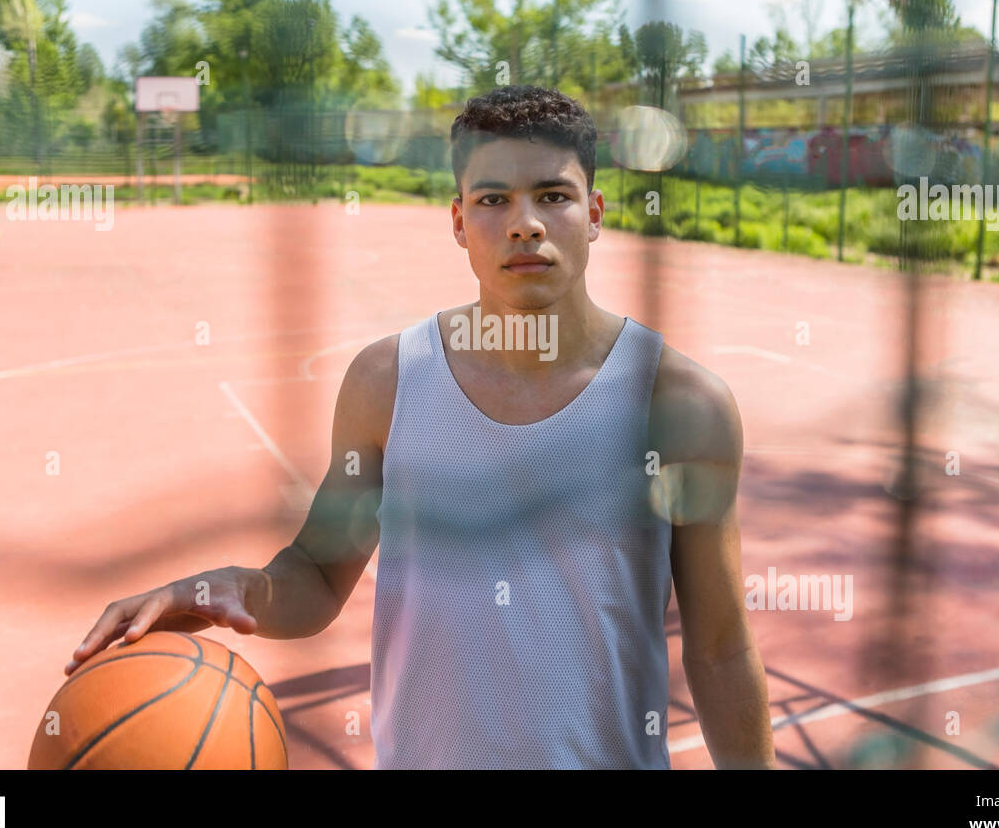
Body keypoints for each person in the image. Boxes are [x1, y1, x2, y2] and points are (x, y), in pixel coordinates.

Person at [67, 85, 775, 770]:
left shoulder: (681, 405)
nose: (524, 222)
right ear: (460, 222)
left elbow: (718, 648)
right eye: (493, 199)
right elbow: (316, 572)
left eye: (552, 196)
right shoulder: (389, 382)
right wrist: (228, 590)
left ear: (593, 212)